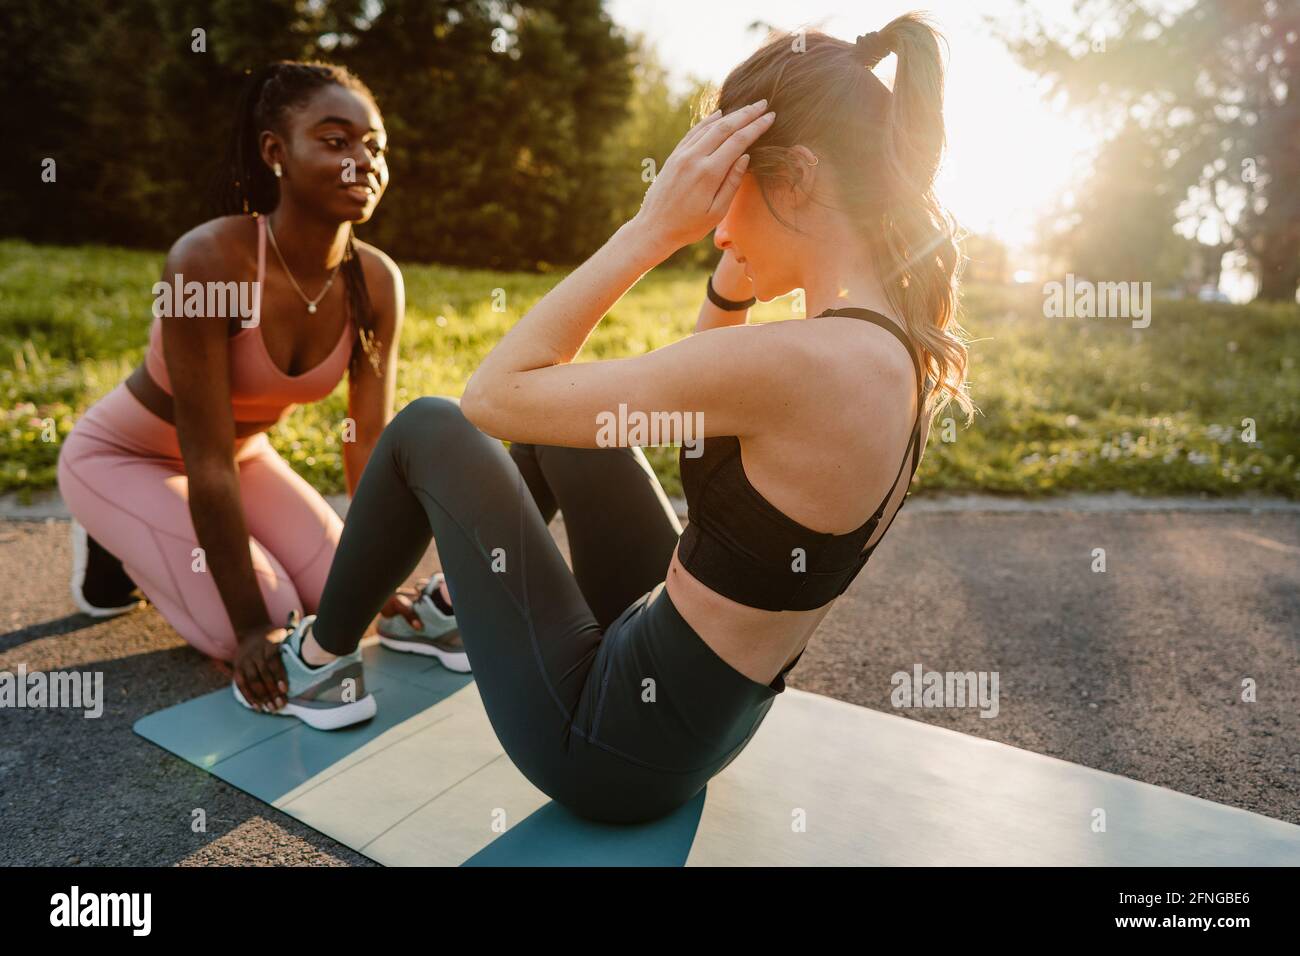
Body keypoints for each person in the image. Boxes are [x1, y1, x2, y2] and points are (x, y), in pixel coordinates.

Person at [239, 15, 973, 824]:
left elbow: (495, 395)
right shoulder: (886, 349)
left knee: (429, 427)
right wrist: (730, 287)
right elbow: (710, 419)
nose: (717, 225)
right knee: (578, 444)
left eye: (726, 193)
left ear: (795, 179)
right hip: (702, 718)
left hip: (603, 744)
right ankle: (454, 609)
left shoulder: (802, 361)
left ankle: (315, 661)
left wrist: (650, 230)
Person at [56, 61, 464, 713]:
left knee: (345, 603)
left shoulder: (376, 282)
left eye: (375, 146)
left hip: (243, 458)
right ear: (276, 152)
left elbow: (365, 443)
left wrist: (379, 570)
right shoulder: (209, 261)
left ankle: (153, 537)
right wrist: (249, 628)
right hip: (128, 456)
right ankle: (111, 533)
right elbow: (205, 458)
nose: (363, 160)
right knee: (265, 619)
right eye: (335, 141)